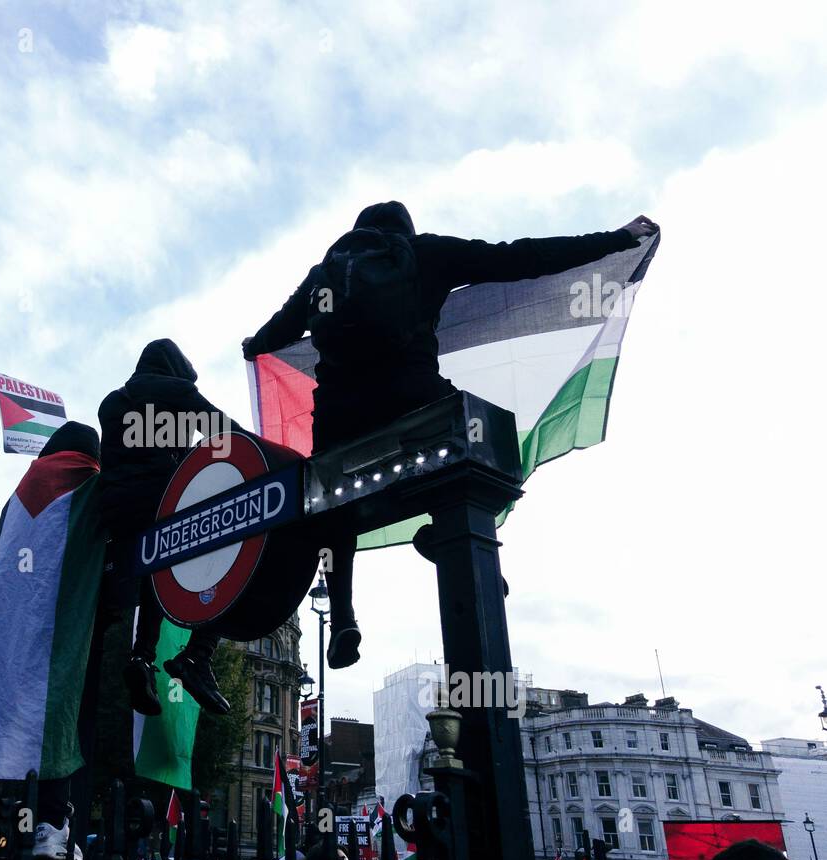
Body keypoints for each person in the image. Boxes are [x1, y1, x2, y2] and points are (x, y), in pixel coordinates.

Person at [242, 203, 659, 668]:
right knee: (488, 449)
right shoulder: (424, 252)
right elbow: (520, 257)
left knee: (331, 510)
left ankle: (342, 615)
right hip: (413, 398)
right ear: (404, 229)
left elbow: (278, 329)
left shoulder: (323, 275)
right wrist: (616, 239)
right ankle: (456, 538)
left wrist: (253, 345)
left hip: (340, 417)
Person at [0, 421, 105, 860]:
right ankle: (52, 826)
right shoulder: (93, 485)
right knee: (54, 716)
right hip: (57, 627)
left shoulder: (15, 496)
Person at [98, 339, 243, 715]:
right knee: (230, 552)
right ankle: (198, 654)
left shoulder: (112, 403)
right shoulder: (178, 393)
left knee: (153, 576)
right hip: (164, 506)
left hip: (117, 518)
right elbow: (229, 434)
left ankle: (142, 659)